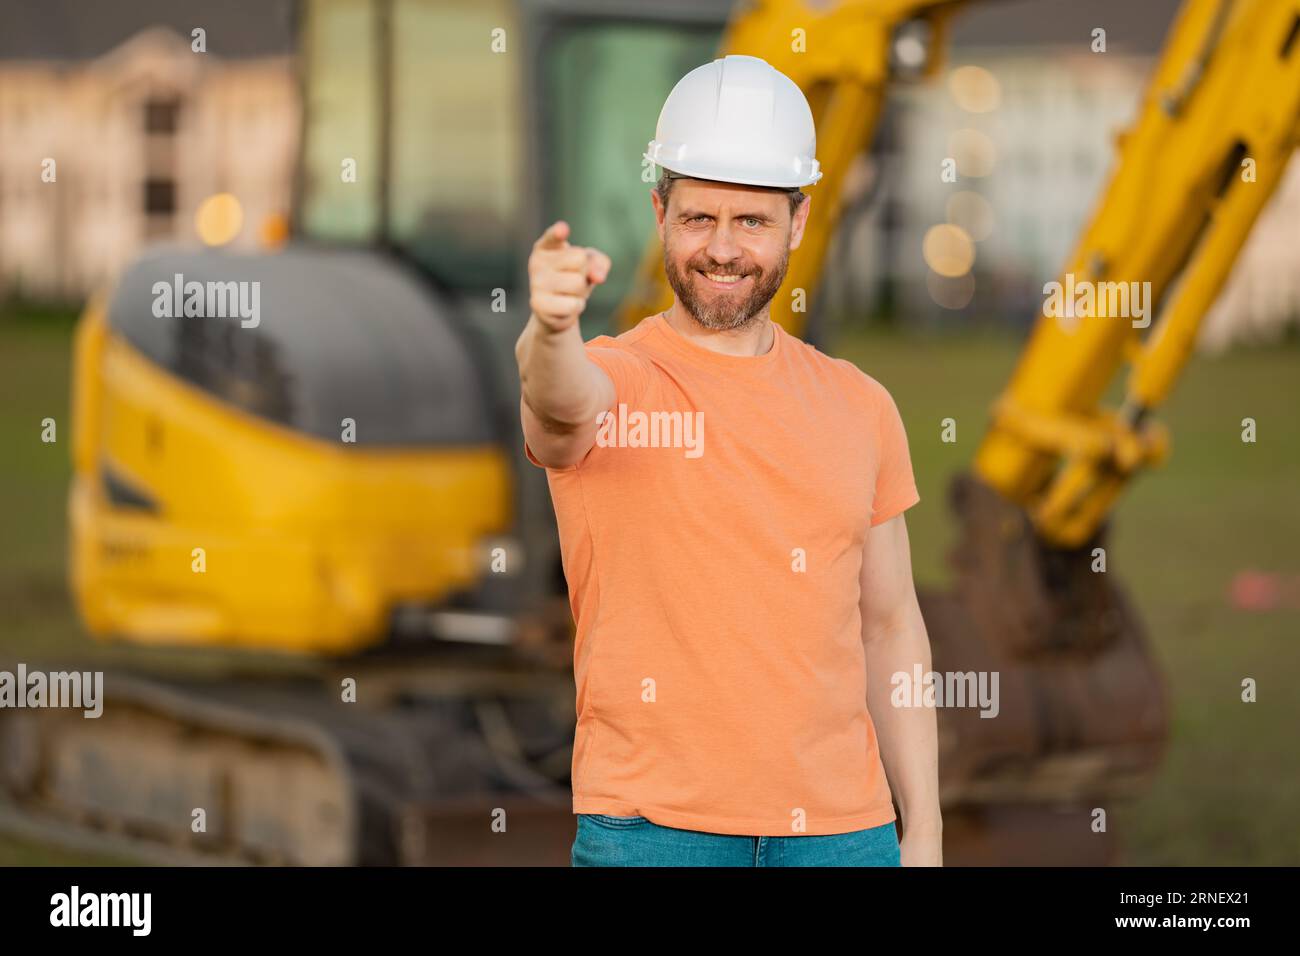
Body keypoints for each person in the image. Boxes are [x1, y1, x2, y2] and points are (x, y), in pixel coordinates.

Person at [515, 54, 941, 867]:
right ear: (659, 213)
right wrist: (549, 327)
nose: (722, 248)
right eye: (698, 218)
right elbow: (557, 402)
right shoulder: (618, 378)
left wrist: (922, 825)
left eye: (751, 221)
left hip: (845, 836)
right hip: (653, 834)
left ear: (799, 223)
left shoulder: (861, 405)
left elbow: (890, 626)